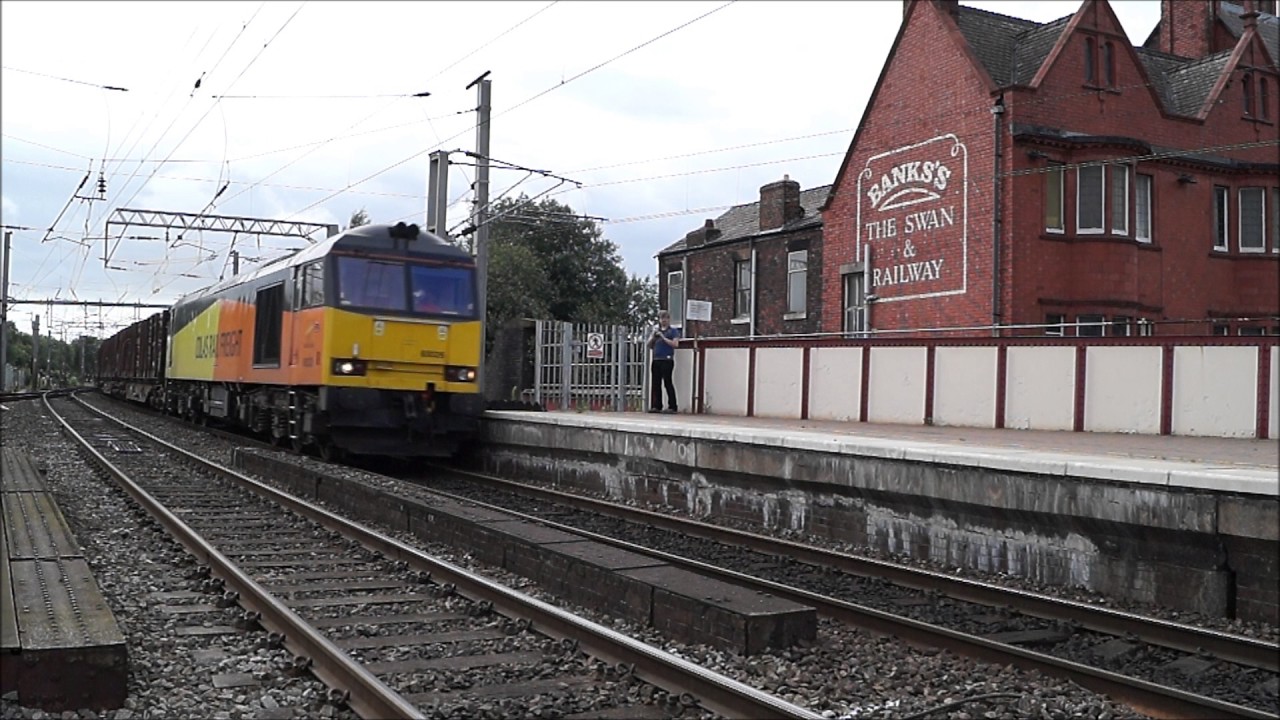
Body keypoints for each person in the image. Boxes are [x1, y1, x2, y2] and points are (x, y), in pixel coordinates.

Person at [647, 310, 681, 413]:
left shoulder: (672, 331)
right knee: (656, 383)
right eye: (661, 318)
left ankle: (672, 406)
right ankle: (657, 405)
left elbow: (675, 344)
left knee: (667, 382)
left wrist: (663, 337)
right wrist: (653, 337)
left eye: (665, 318)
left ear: (669, 319)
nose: (663, 320)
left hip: (667, 359)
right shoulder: (656, 331)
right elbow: (649, 345)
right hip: (656, 359)